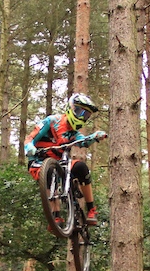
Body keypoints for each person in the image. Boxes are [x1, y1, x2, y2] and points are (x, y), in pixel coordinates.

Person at [24, 93, 107, 228]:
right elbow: (30, 138)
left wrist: (95, 136)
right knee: (50, 173)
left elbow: (83, 142)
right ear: (71, 108)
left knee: (81, 168)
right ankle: (55, 217)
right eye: (80, 112)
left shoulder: (73, 133)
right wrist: (30, 147)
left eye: (86, 116)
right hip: (38, 161)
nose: (82, 117)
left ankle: (92, 210)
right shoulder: (52, 121)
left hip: (60, 163)